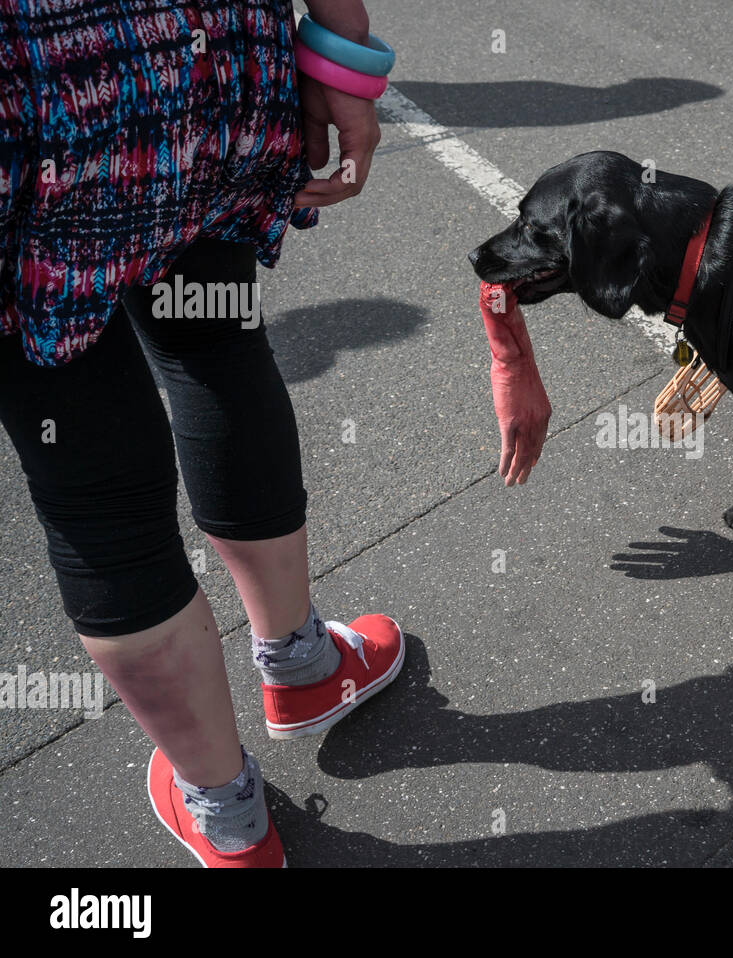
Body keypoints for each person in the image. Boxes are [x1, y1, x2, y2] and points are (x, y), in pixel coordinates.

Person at [0, 0, 399, 867]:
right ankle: (300, 664)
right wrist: (343, 59)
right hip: (196, 57)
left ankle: (229, 819)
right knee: (214, 343)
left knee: (91, 484)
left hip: (25, 85)